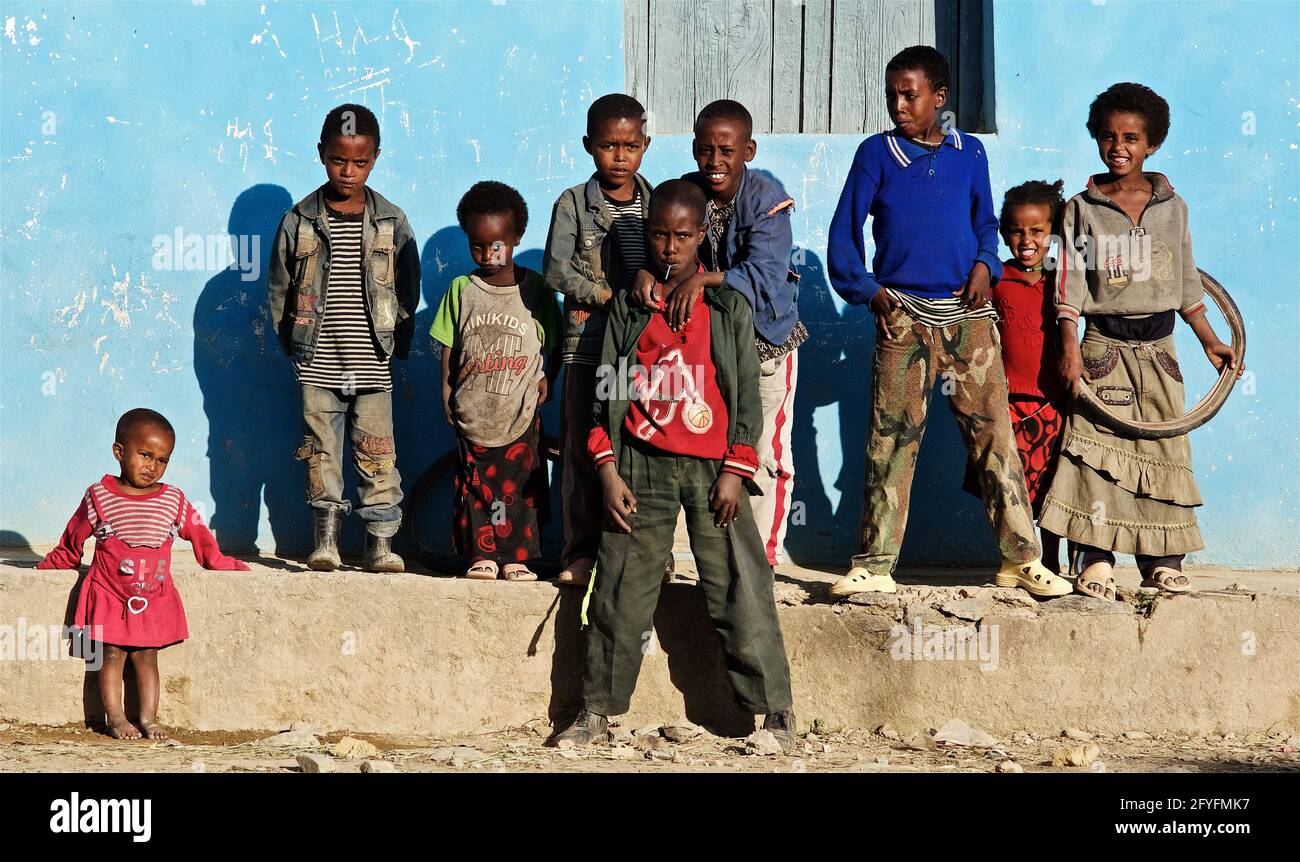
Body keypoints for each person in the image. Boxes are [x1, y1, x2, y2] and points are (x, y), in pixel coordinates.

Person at [553, 180, 796, 750]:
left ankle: (775, 712)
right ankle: (595, 712)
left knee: (740, 584)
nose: (670, 247)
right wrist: (608, 471)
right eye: (660, 234)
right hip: (639, 467)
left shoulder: (725, 307)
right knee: (620, 589)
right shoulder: (628, 309)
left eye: (683, 236)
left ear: (700, 237)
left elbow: (743, 399)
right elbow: (602, 397)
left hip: (715, 473)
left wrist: (737, 471)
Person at [825, 46, 1066, 598]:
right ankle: (874, 565)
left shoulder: (968, 152)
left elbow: (985, 220)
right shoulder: (875, 155)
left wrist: (986, 263)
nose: (899, 105)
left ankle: (1019, 560)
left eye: (910, 95)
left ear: (940, 97)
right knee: (890, 440)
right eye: (892, 95)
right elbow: (844, 234)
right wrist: (868, 291)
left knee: (994, 437)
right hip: (902, 318)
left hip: (969, 318)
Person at [1040, 83, 1241, 599]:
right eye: (1107, 136)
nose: (1118, 147)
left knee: (1160, 449)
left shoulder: (1173, 208)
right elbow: (1069, 285)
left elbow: (1185, 284)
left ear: (1152, 143)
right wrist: (1068, 349)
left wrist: (1211, 340)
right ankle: (1096, 557)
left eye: (1131, 137)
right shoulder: (1081, 209)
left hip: (1160, 354)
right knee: (1097, 453)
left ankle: (1162, 560)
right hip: (1101, 352)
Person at [267, 103, 420, 572]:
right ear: (321, 154)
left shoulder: (391, 221)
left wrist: (399, 346)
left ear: (375, 157)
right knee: (320, 454)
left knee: (378, 454)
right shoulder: (300, 220)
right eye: (338, 160)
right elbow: (279, 289)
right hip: (318, 364)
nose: (348, 171)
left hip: (372, 365)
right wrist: (292, 346)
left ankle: (379, 545)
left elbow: (408, 288)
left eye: (360, 162)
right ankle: (326, 542)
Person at [37, 408, 248, 739]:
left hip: (151, 598)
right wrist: (59, 559)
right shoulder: (99, 496)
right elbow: (74, 534)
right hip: (110, 595)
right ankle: (116, 717)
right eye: (145, 455)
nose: (153, 466)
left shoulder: (172, 500)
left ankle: (148, 718)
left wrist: (217, 560)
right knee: (110, 657)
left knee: (147, 660)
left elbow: (199, 534)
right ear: (119, 452)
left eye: (162, 460)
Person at [544, 93, 654, 586]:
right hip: (589, 345)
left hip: (643, 350)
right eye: (609, 145)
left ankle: (639, 555)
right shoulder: (572, 203)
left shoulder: (657, 202)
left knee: (640, 449)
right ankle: (580, 553)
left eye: (630, 146)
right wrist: (603, 294)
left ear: (645, 146)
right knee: (585, 451)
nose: (620, 156)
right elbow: (555, 269)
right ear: (590, 145)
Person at [431, 181, 561, 581]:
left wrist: (547, 380)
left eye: (497, 245)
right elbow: (450, 345)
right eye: (477, 245)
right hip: (474, 411)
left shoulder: (534, 289)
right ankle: (480, 557)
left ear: (516, 238)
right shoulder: (461, 290)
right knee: (474, 488)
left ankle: (516, 558)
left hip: (519, 410)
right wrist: (447, 390)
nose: (488, 255)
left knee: (520, 486)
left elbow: (552, 343)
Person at [962, 180, 1070, 572]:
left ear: (1053, 232)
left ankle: (1054, 563)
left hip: (1054, 403)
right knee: (1012, 484)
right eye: (1016, 231)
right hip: (1007, 401)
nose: (1026, 239)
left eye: (1037, 231)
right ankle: (1021, 560)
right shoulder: (994, 278)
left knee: (1056, 485)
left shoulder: (1063, 281)